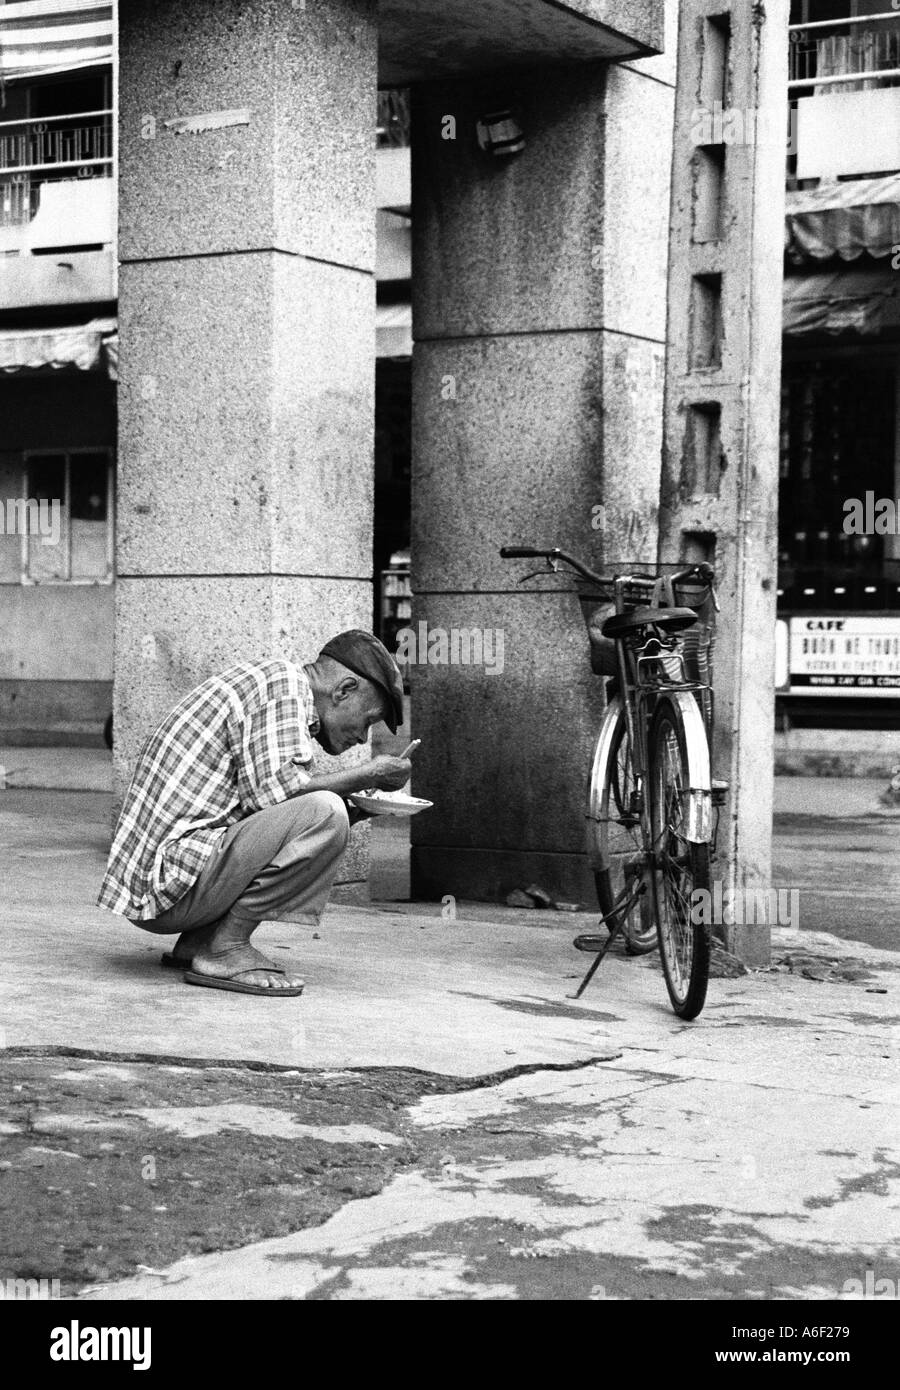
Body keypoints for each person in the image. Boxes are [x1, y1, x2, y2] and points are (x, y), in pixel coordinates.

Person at [97, 630, 417, 997]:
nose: (363, 738)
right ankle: (226, 949)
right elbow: (282, 794)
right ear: (343, 690)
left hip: (161, 887)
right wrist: (368, 775)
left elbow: (263, 807)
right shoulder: (282, 685)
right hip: (167, 887)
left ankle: (199, 942)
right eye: (369, 720)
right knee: (325, 811)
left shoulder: (274, 684)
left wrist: (351, 812)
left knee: (329, 813)